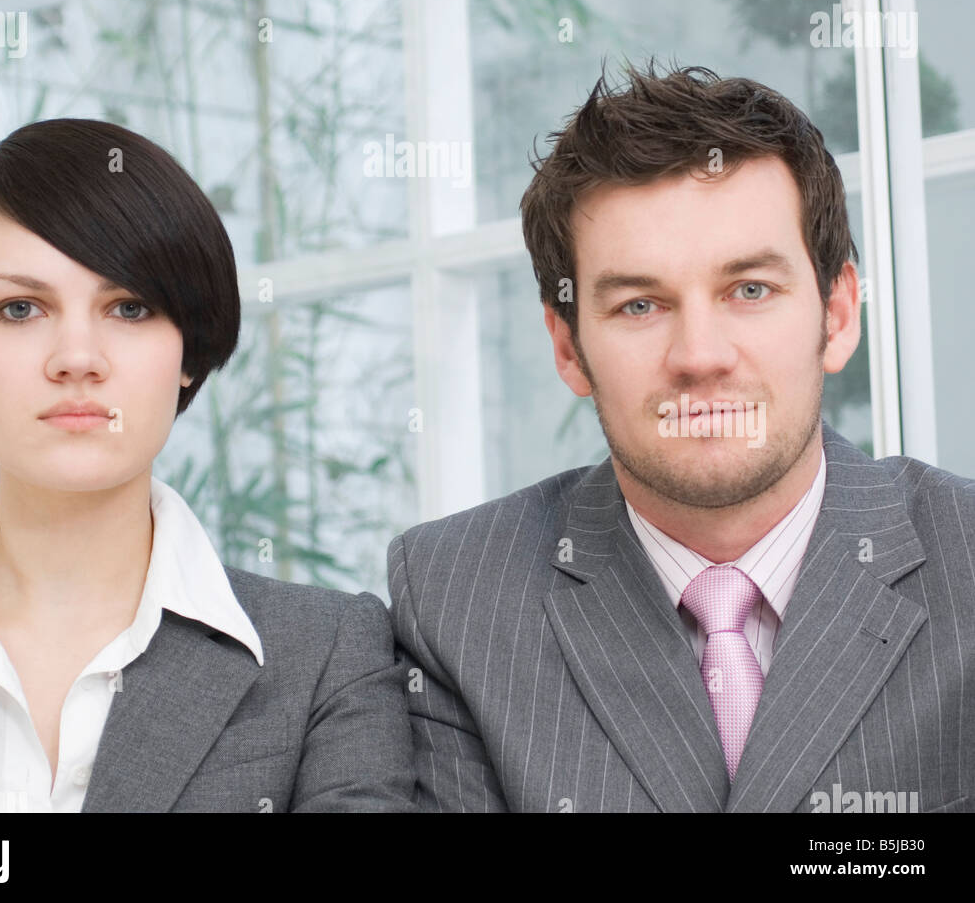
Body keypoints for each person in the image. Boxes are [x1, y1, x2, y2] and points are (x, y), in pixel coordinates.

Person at [388, 59, 974, 813]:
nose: (699, 355)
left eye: (749, 291)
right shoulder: (455, 597)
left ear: (836, 315)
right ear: (567, 347)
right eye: (639, 305)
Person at [0, 118, 415, 813]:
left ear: (189, 354)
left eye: (129, 307)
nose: (76, 358)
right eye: (21, 307)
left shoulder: (327, 658)